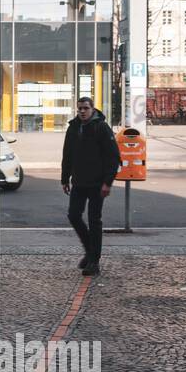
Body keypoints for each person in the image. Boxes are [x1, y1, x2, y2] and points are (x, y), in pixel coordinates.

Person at [61, 96, 120, 276]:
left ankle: (94, 261)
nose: (82, 111)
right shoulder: (73, 127)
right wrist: (64, 179)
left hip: (97, 183)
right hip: (78, 182)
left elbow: (113, 157)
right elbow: (67, 155)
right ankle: (90, 251)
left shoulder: (101, 127)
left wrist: (107, 182)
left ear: (93, 109)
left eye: (85, 108)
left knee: (94, 221)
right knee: (73, 215)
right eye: (79, 108)